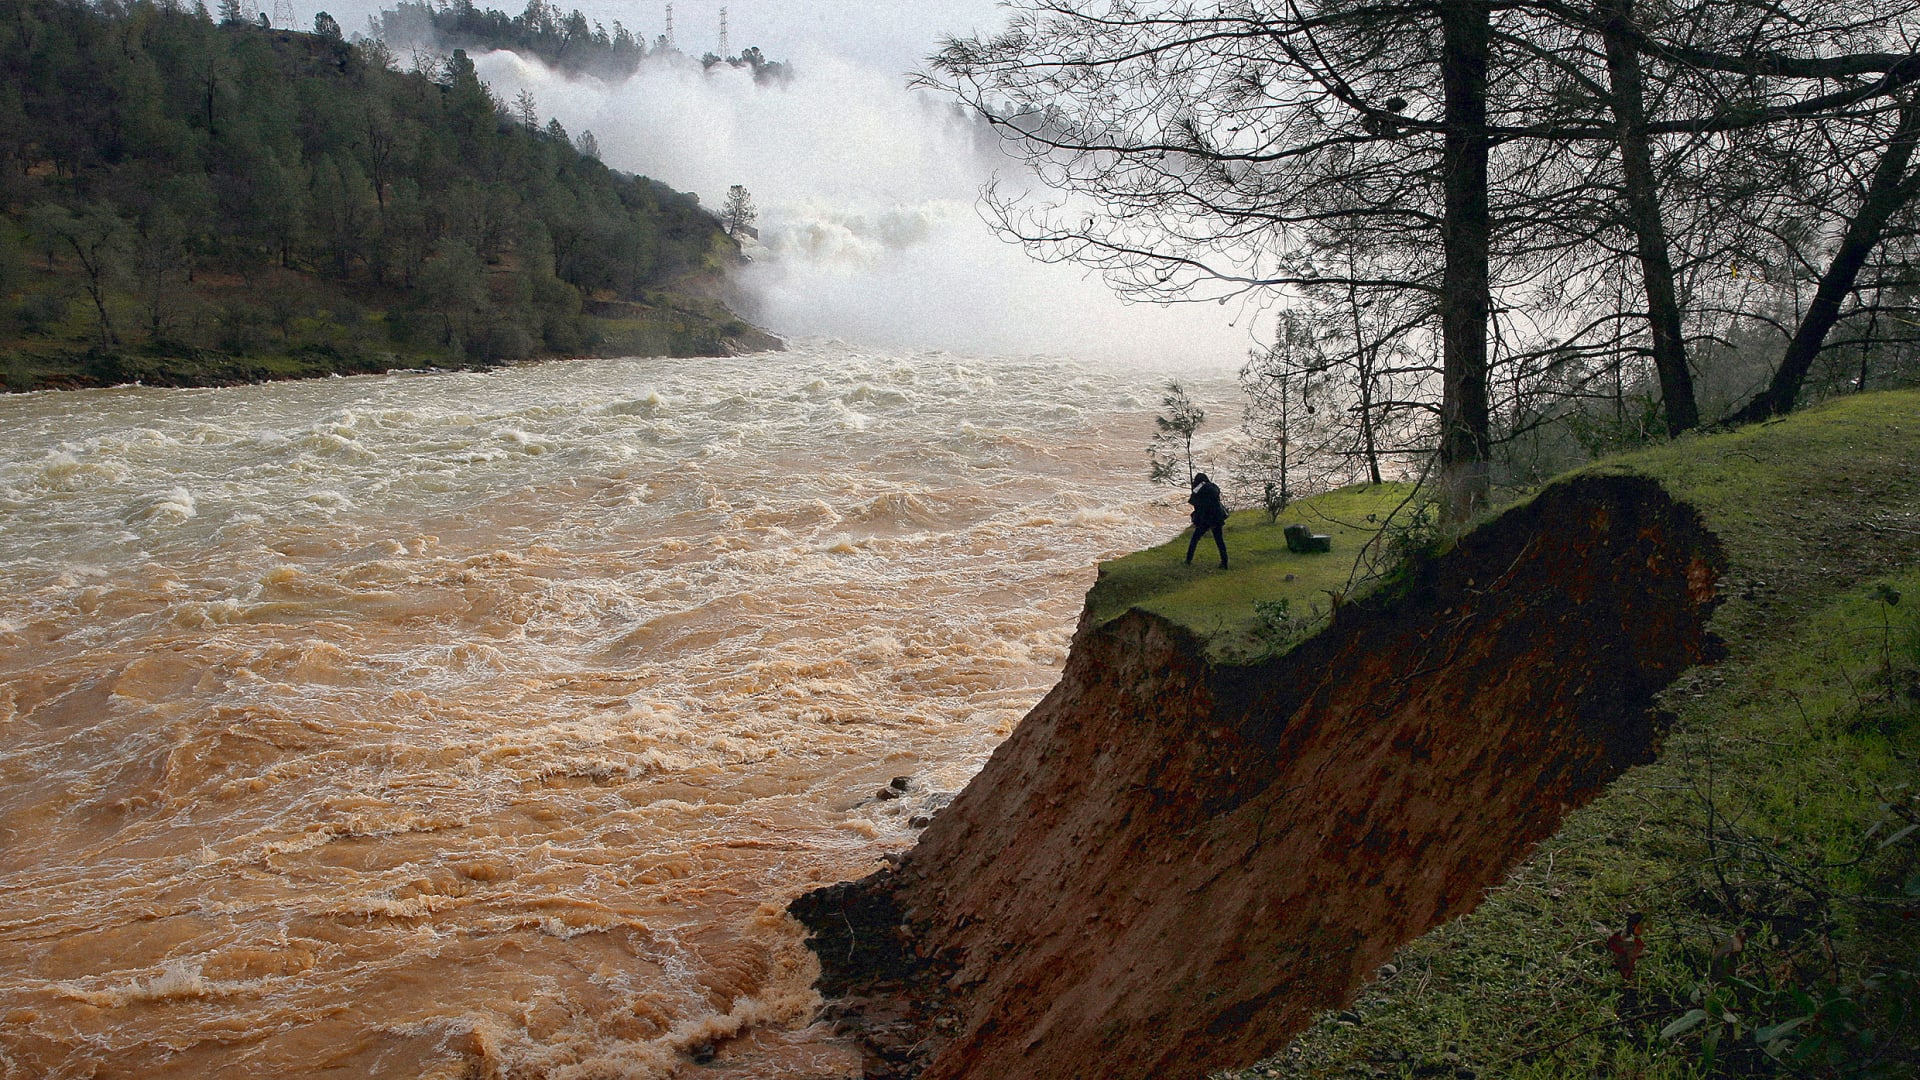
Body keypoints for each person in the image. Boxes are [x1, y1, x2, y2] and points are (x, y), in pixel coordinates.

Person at [1185, 472, 1228, 569]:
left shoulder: (1198, 490)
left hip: (1205, 519)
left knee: (1194, 539)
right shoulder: (1213, 487)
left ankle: (1188, 560)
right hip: (1217, 518)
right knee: (1220, 541)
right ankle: (1225, 563)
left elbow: (1193, 502)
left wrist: (1193, 491)